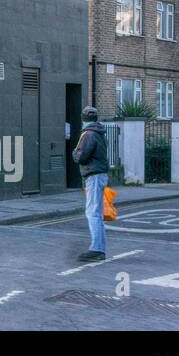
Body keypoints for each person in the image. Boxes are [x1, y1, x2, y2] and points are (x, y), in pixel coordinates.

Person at [72, 106, 110, 262]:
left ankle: (97, 249)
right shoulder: (100, 133)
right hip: (100, 175)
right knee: (96, 213)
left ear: (83, 119)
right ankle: (99, 248)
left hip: (93, 176)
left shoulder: (88, 134)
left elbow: (81, 157)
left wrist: (75, 153)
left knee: (92, 213)